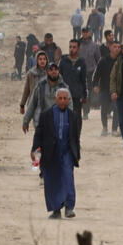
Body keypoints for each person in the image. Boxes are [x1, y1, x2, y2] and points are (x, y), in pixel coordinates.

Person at [31, 88, 80, 220]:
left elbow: (75, 137)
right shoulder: (46, 115)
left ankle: (69, 207)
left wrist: (77, 153)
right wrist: (34, 149)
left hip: (67, 151)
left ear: (69, 100)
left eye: (65, 99)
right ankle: (56, 209)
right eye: (60, 98)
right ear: (55, 99)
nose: (63, 101)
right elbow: (39, 133)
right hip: (50, 152)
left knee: (68, 178)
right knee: (51, 180)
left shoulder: (73, 115)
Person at [23, 62, 68, 133]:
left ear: (58, 72)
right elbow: (32, 104)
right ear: (47, 72)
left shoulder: (64, 88)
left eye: (55, 69)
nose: (53, 71)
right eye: (51, 70)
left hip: (58, 124)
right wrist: (26, 121)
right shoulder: (40, 87)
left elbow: (69, 105)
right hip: (41, 124)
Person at [92, 41, 120, 136]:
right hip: (104, 88)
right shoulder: (103, 60)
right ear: (110, 48)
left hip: (117, 90)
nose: (117, 49)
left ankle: (114, 129)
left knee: (116, 108)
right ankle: (105, 127)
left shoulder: (120, 61)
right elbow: (96, 74)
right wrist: (95, 85)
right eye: (114, 46)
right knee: (104, 108)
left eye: (118, 47)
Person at [58, 39, 89, 117]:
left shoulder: (81, 62)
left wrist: (84, 95)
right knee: (65, 116)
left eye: (74, 47)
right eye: (70, 47)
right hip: (64, 95)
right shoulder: (63, 61)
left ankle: (77, 129)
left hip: (76, 95)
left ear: (78, 48)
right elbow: (59, 78)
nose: (71, 49)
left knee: (77, 117)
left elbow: (83, 79)